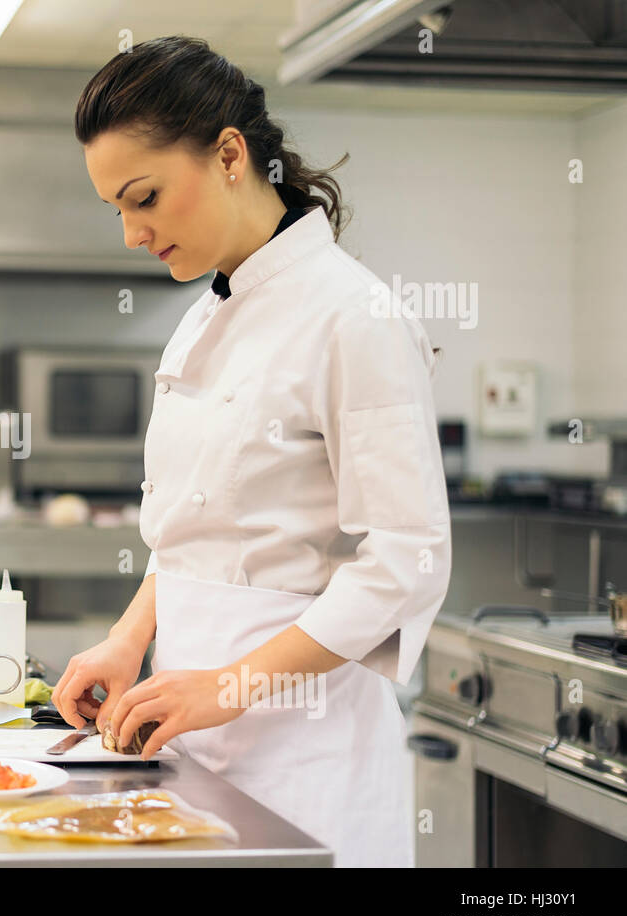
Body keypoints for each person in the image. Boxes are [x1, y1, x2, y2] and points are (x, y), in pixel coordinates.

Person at [51, 36, 451, 867]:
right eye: (117, 210)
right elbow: (196, 534)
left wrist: (226, 687)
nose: (131, 233)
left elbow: (405, 561)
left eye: (144, 196)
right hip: (194, 738)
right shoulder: (204, 315)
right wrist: (129, 639)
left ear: (230, 153)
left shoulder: (354, 316)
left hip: (311, 760)